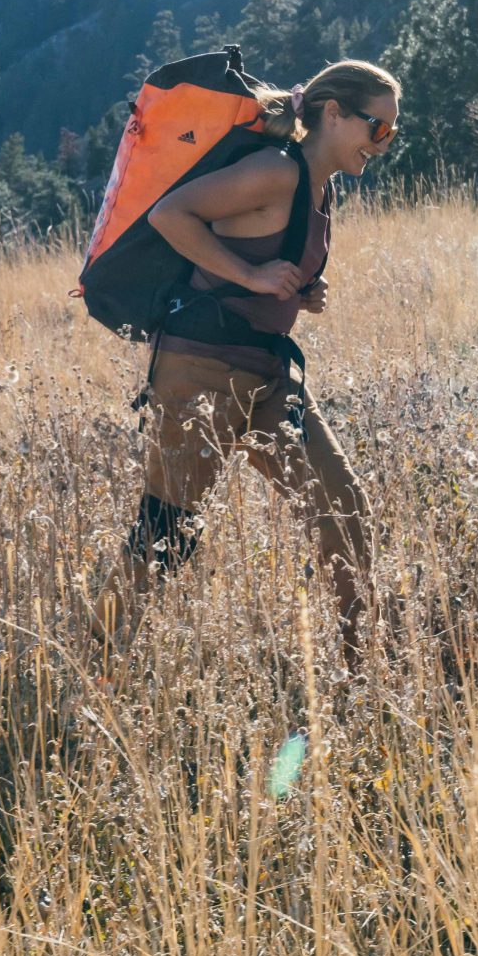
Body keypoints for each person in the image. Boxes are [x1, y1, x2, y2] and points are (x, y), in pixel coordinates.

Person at [109, 59, 400, 664]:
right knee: (166, 539)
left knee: (342, 510)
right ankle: (95, 669)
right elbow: (170, 214)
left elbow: (274, 259)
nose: (382, 144)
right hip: (200, 373)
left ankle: (359, 670)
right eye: (377, 128)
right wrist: (249, 274)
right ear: (333, 113)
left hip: (268, 377)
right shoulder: (276, 170)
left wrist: (300, 289)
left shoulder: (321, 188)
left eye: (391, 134)